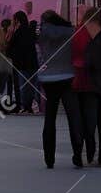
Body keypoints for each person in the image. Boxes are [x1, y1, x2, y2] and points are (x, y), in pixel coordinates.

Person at [34, 9, 83, 168]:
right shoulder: (70, 31)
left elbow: (40, 55)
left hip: (48, 78)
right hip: (67, 76)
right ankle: (77, 153)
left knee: (50, 118)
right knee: (73, 115)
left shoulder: (42, 34)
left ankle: (49, 158)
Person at [77, 10, 101, 167]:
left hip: (96, 86)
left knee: (94, 121)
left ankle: (96, 154)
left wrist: (87, 62)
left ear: (94, 24)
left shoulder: (98, 42)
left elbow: (95, 62)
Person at [7, 11, 38, 113]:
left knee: (20, 84)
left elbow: (10, 47)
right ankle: (28, 105)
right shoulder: (30, 30)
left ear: (17, 20)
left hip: (20, 62)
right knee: (30, 84)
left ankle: (22, 105)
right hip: (32, 61)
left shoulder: (18, 32)